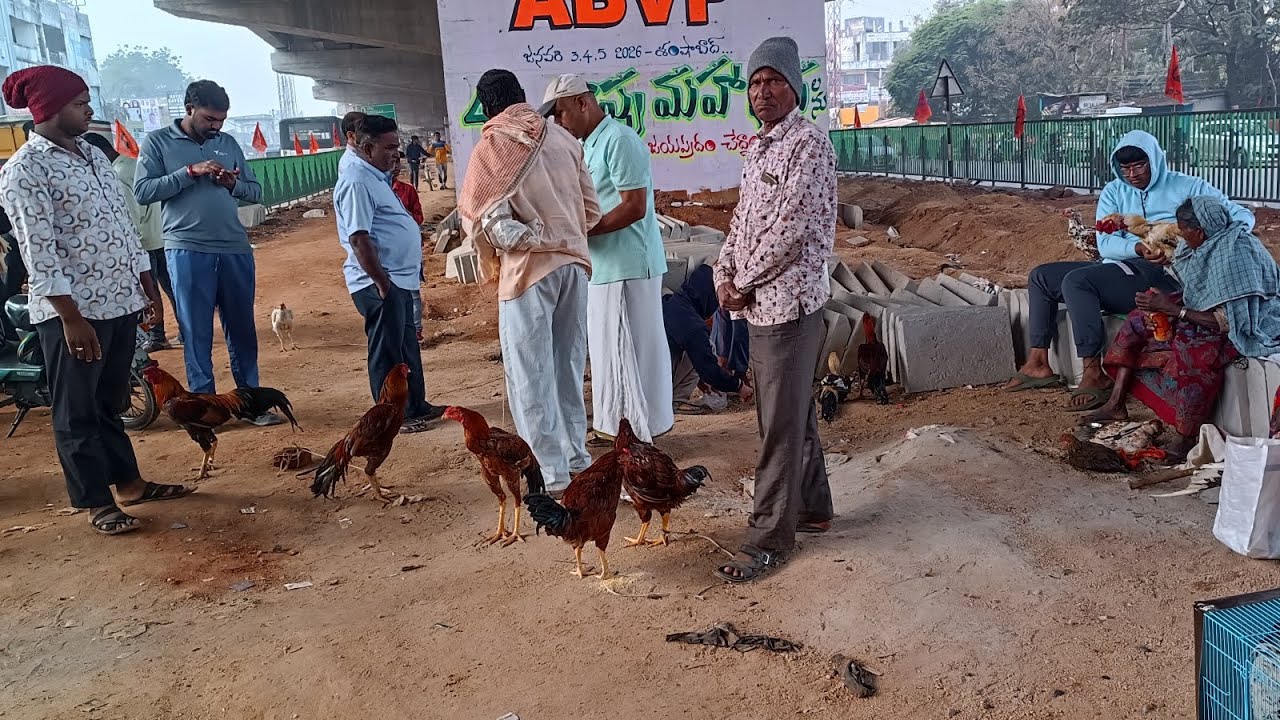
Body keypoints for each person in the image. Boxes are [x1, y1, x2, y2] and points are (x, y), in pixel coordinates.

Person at [0, 66, 193, 535]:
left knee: (110, 401)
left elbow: (123, 226)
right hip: (74, 313)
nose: (89, 110)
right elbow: (37, 248)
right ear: (48, 109)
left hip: (120, 300)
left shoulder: (92, 155)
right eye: (79, 103)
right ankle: (94, 501)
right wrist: (70, 317)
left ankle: (129, 484)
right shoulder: (24, 170)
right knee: (76, 410)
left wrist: (145, 281)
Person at [1005, 130, 1254, 412]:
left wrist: (1204, 247)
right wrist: (1138, 249)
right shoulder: (1114, 191)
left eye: (1139, 166)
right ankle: (1038, 362)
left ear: (1156, 161)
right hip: (1126, 263)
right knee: (1041, 276)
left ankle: (1093, 372)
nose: (1132, 174)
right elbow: (1105, 242)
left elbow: (1241, 215)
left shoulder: (1189, 186)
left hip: (1166, 273)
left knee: (1078, 281)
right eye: (1125, 168)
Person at [711, 37, 837, 583]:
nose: (762, 92)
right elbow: (743, 223)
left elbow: (792, 230)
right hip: (759, 301)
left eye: (773, 82)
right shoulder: (758, 148)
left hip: (789, 305)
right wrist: (722, 273)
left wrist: (743, 280)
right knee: (791, 411)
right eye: (755, 83)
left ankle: (768, 539)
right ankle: (812, 507)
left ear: (795, 88)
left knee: (776, 425)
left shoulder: (808, 145)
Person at [459, 69, 600, 493]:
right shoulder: (563, 139)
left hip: (526, 273)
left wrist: (528, 237)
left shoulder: (495, 144)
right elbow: (590, 211)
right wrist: (562, 233)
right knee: (568, 370)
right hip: (574, 266)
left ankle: (551, 474)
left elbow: (491, 223)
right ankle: (576, 459)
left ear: (485, 107)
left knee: (530, 375)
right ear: (522, 95)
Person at [1085, 196, 1280, 461]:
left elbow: (1229, 322)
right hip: (1205, 309)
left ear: (1200, 230)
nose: (1181, 235)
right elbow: (1196, 284)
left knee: (1195, 350)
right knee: (1137, 319)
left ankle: (1186, 435)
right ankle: (1116, 403)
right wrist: (1161, 298)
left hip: (1245, 321)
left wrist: (1174, 310)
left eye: (1184, 229)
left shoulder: (1237, 254)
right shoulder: (1205, 243)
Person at [135, 81, 280, 425]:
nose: (216, 126)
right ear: (188, 110)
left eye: (221, 119)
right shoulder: (157, 142)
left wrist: (232, 184)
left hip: (234, 247)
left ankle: (250, 404)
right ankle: (205, 408)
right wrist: (189, 172)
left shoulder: (228, 143)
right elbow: (143, 191)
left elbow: (255, 191)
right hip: (186, 248)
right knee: (195, 331)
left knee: (242, 329)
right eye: (209, 118)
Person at [542, 73, 673, 446]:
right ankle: (615, 426)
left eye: (561, 113)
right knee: (607, 352)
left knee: (630, 350)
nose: (558, 122)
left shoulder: (619, 141)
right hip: (604, 266)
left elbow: (633, 207)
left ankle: (636, 432)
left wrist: (580, 232)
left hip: (628, 265)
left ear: (583, 103)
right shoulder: (589, 145)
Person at [334, 114, 443, 433]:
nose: (396, 153)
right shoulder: (355, 179)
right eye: (389, 147)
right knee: (386, 352)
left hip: (398, 279)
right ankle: (390, 417)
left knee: (406, 345)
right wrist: (382, 283)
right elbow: (358, 237)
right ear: (366, 148)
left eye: (397, 146)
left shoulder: (373, 174)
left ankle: (415, 405)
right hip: (379, 282)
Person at [83, 133, 175, 353]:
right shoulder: (135, 165)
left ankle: (157, 335)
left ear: (99, 152)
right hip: (162, 235)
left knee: (149, 289)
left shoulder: (117, 174)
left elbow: (129, 216)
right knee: (172, 288)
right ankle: (187, 332)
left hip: (142, 242)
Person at [665, 264, 754, 414]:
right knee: (708, 349)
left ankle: (675, 400)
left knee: (699, 351)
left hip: (638, 372)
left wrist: (703, 379)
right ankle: (673, 400)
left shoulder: (671, 301)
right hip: (651, 383)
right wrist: (739, 386)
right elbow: (708, 369)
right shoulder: (692, 324)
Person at [390, 156, 426, 342]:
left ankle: (416, 329)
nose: (395, 166)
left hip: (409, 250)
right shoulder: (376, 191)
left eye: (397, 162)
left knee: (412, 292)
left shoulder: (407, 191)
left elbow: (419, 217)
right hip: (388, 253)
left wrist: (404, 217)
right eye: (392, 161)